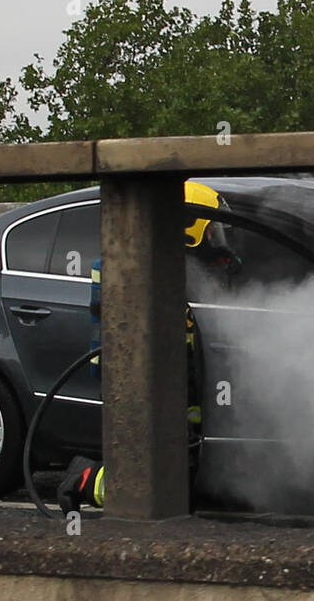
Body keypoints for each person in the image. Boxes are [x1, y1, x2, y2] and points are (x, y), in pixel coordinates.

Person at [56, 181, 239, 514]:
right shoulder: (148, 268)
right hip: (148, 390)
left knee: (184, 476)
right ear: (189, 228)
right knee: (163, 483)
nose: (219, 239)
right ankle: (87, 479)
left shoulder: (182, 267)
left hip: (180, 388)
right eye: (213, 229)